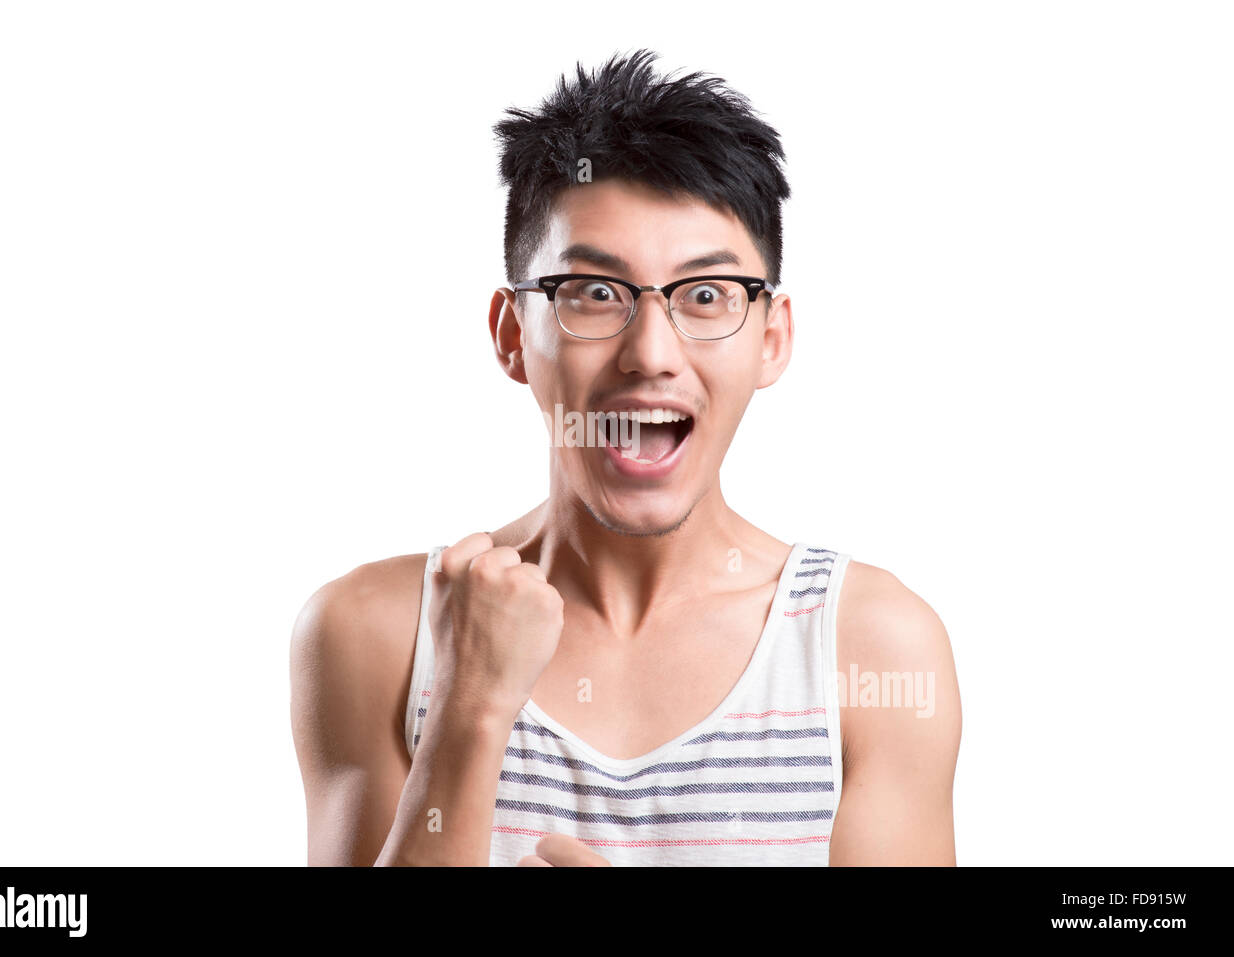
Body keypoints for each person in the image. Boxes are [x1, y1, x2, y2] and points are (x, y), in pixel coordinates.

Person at [289, 49, 961, 866]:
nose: (651, 352)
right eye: (595, 292)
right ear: (512, 334)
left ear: (772, 339)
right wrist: (468, 706)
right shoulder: (377, 631)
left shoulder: (868, 646)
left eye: (705, 295)